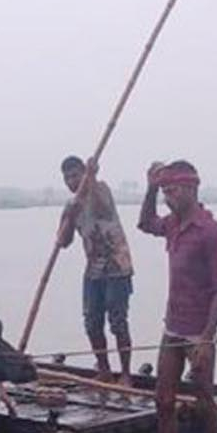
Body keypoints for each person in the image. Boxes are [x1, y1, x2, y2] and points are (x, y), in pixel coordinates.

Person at [137, 159, 217, 433]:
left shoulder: (211, 232)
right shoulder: (172, 225)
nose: (167, 198)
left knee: (205, 402)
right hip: (172, 327)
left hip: (198, 330)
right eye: (164, 192)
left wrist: (206, 338)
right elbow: (145, 223)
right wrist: (149, 187)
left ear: (191, 189)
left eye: (171, 191)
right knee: (163, 402)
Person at [56, 155, 134, 382]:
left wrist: (91, 177)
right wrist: (70, 218)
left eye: (75, 175)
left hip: (117, 266)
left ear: (84, 174)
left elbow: (102, 208)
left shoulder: (101, 189)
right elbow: (63, 242)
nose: (72, 181)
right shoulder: (70, 206)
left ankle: (126, 373)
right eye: (67, 177)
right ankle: (104, 369)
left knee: (118, 321)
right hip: (93, 270)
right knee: (92, 321)